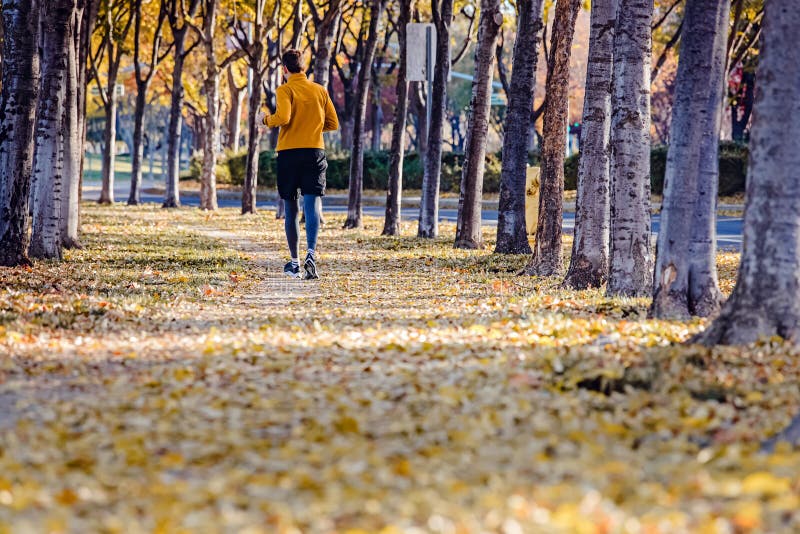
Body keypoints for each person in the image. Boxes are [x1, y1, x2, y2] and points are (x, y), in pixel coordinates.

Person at [262, 49, 339, 279]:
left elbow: (283, 118)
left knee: (291, 208)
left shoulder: (285, 90)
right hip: (315, 151)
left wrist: (266, 119)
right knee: (312, 203)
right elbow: (333, 123)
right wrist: (313, 129)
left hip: (289, 154)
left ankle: (294, 264)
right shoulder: (320, 90)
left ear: (284, 69)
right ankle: (311, 254)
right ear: (303, 67)